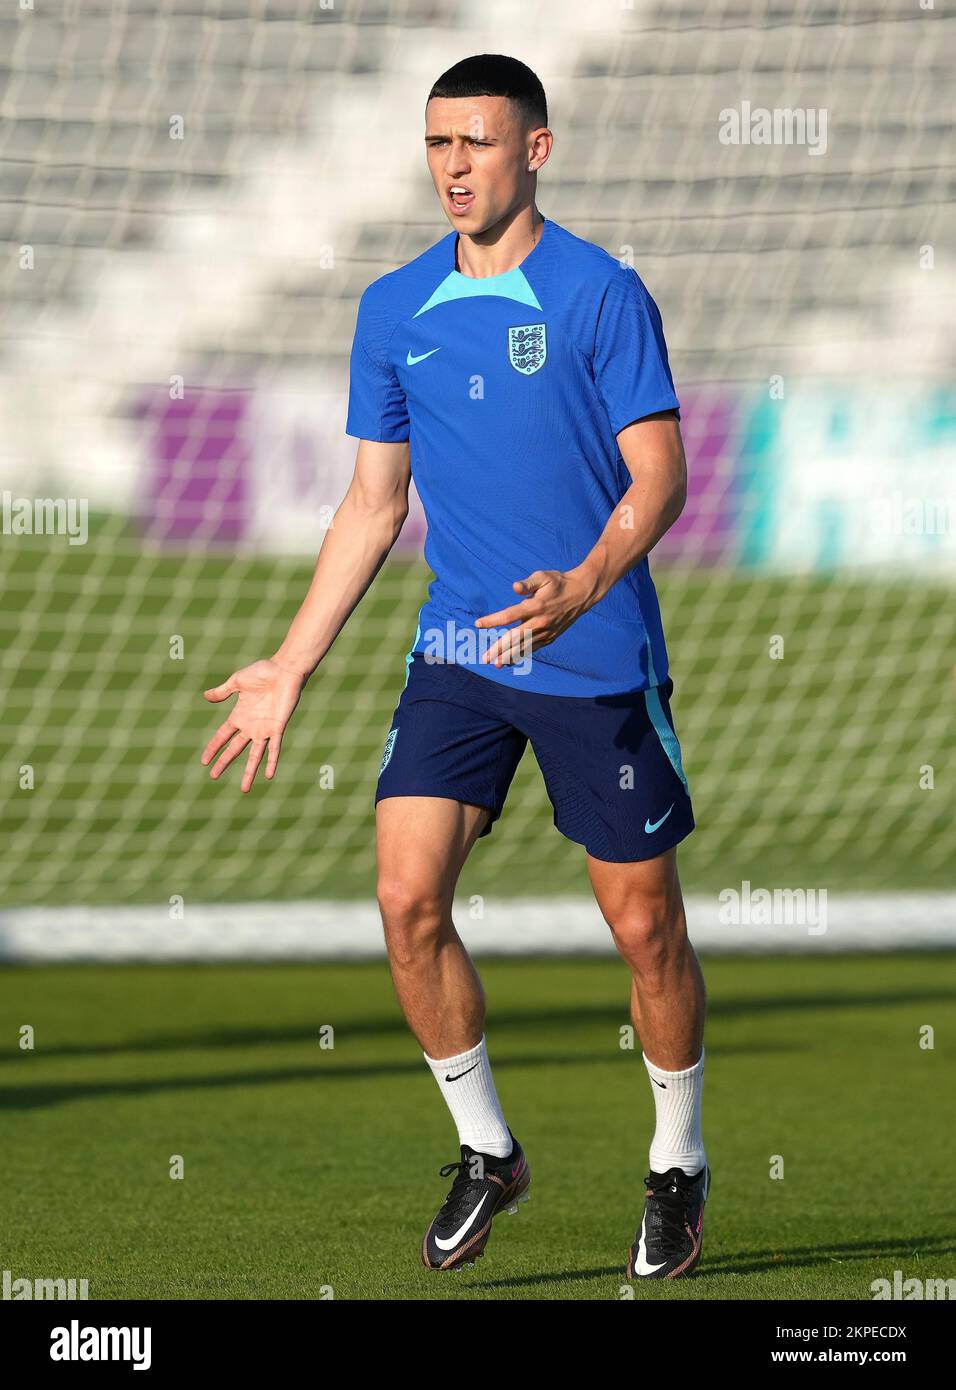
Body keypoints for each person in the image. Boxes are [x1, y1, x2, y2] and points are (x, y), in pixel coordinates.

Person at [201, 53, 708, 1281]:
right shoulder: (391, 307)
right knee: (403, 897)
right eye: (437, 145)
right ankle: (488, 1150)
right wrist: (290, 662)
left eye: (476, 143)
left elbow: (662, 478)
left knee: (643, 929)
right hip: (460, 651)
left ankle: (677, 1160)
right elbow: (373, 507)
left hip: (592, 651)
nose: (453, 168)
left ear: (534, 149)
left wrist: (587, 583)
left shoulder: (599, 294)